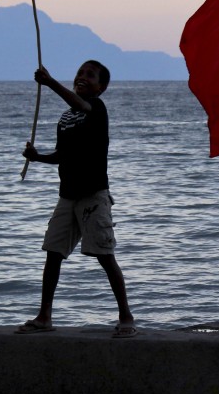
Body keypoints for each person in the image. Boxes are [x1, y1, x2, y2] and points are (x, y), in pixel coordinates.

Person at [17, 60, 137, 338]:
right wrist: (38, 158)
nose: (82, 77)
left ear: (101, 87)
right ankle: (44, 316)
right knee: (53, 254)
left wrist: (50, 82)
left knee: (105, 256)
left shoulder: (96, 108)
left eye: (90, 75)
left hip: (93, 196)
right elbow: (62, 155)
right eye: (80, 73)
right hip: (67, 196)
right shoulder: (66, 118)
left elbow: (82, 105)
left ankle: (126, 317)